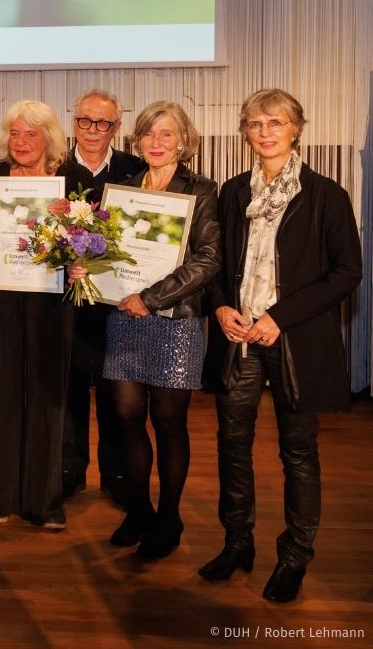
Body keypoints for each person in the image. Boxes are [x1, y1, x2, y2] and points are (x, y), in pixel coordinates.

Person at [199, 89, 361, 603]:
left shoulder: (325, 195)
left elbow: (346, 274)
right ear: (244, 132)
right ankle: (237, 543)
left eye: (276, 122)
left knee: (298, 453)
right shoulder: (231, 192)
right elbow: (215, 264)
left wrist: (279, 317)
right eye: (254, 124)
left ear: (297, 128)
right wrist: (221, 306)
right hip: (238, 338)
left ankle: (294, 558)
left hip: (294, 341)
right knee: (232, 445)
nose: (264, 132)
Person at [93, 101, 220, 560]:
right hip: (125, 317)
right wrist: (86, 268)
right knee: (126, 415)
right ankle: (139, 509)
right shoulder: (122, 189)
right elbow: (104, 252)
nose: (156, 143)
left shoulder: (202, 190)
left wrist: (151, 298)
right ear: (137, 140)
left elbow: (208, 260)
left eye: (167, 135)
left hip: (176, 321)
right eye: (148, 134)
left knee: (168, 421)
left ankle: (169, 515)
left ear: (183, 141)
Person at [0, 100, 91, 530]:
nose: (22, 143)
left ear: (49, 138)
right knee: (3, 391)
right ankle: (0, 495)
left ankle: (45, 501)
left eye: (31, 134)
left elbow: (87, 242)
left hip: (50, 299)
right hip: (2, 296)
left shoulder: (71, 179)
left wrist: (73, 225)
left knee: (47, 395)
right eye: (16, 134)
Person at [60, 90, 145, 503]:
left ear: (118, 127)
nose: (93, 130)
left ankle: (117, 477)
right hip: (66, 300)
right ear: (73, 122)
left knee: (117, 395)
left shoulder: (137, 170)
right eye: (85, 121)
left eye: (104, 123)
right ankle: (70, 472)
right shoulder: (53, 168)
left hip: (120, 304)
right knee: (69, 391)